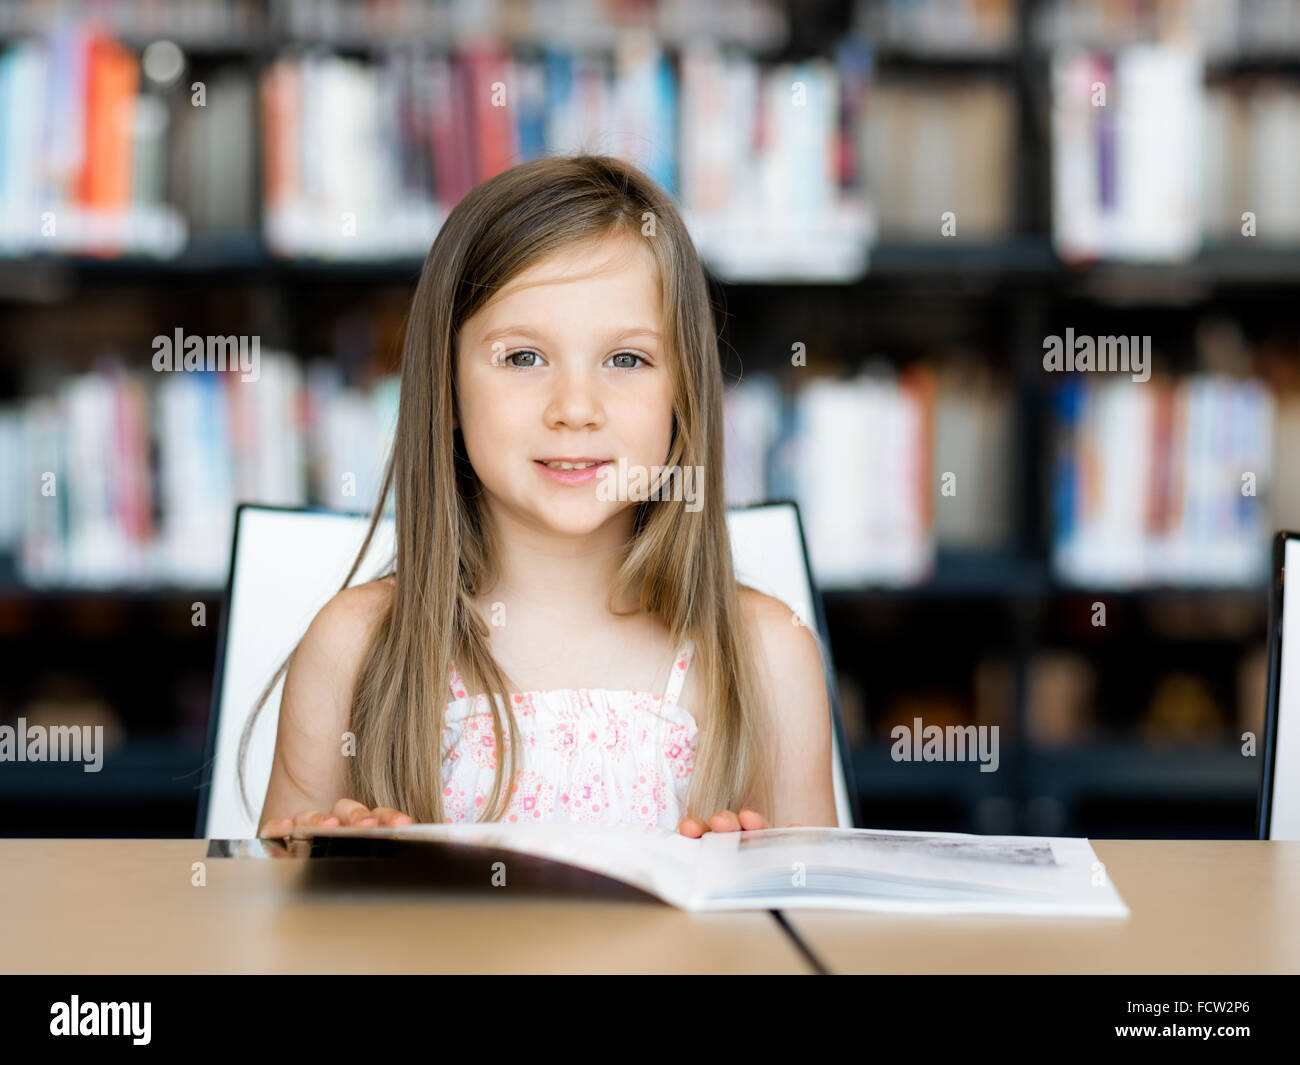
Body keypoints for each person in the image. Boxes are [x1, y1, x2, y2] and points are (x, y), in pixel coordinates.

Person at [250, 154, 836, 840]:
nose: (575, 408)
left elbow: (805, 927)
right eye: (523, 357)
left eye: (627, 359)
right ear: (446, 386)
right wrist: (328, 875)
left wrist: (753, 897)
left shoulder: (769, 656)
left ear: (684, 394)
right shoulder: (352, 646)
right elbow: (273, 919)